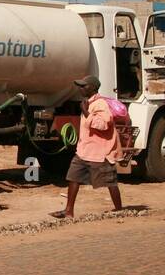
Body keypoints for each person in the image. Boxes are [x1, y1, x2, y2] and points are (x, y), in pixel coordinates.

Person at [51, 75, 125, 220]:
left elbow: (103, 125)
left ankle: (119, 209)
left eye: (83, 86)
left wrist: (86, 111)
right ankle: (68, 211)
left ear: (92, 88)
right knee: (73, 178)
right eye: (80, 85)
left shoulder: (100, 104)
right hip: (84, 151)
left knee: (110, 182)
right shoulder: (88, 102)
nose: (80, 88)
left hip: (100, 152)